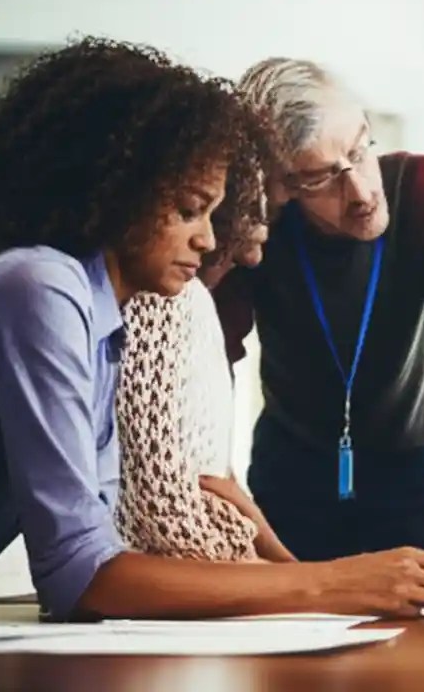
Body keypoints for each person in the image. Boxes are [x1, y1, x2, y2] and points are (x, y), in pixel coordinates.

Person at [0, 38, 424, 620]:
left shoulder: (104, 323)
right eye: (188, 209)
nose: (207, 237)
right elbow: (79, 574)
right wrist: (333, 581)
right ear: (116, 192)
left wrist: (305, 574)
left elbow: (98, 554)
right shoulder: (42, 287)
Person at [214, 58, 424, 580]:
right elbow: (208, 356)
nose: (359, 191)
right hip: (293, 473)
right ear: (280, 186)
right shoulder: (261, 220)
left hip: (419, 469)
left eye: (358, 150)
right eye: (320, 179)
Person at [116, 183, 296, 564]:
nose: (266, 226)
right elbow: (164, 510)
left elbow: (213, 472)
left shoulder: (196, 302)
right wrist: (299, 579)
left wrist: (293, 569)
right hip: (167, 577)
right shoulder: (164, 302)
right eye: (194, 210)